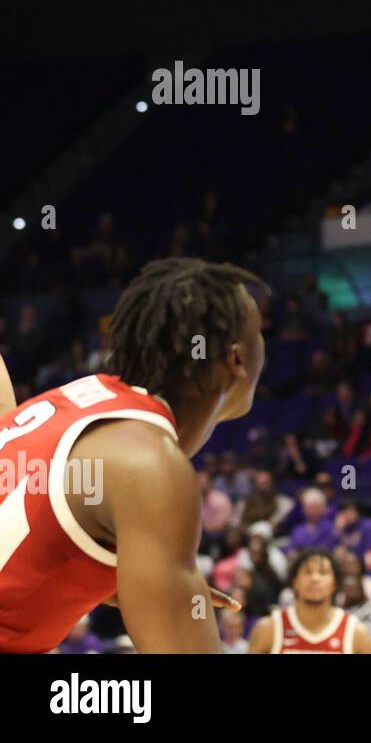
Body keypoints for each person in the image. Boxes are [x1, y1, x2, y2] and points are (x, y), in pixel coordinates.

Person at [0, 258, 266, 654]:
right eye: (261, 333)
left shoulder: (81, 396)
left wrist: (130, 581)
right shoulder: (150, 464)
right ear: (237, 360)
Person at [247, 549, 371, 654]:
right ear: (295, 582)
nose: (315, 578)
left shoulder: (356, 633)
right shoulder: (268, 628)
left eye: (323, 572)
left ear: (334, 584)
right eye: (307, 572)